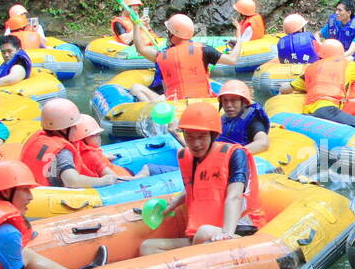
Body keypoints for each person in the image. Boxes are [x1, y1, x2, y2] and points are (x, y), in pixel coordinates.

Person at [138, 103, 268, 255]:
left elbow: (235, 196)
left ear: (213, 135)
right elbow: (199, 186)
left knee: (204, 231)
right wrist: (174, 203)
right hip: (203, 235)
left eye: (201, 137)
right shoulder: (187, 157)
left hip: (239, 230)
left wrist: (227, 233)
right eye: (189, 137)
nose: (195, 143)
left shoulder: (234, 155)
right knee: (148, 246)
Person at [128, 13, 238, 102]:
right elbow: (232, 59)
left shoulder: (162, 55)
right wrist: (240, 41)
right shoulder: (204, 49)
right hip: (202, 100)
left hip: (173, 101)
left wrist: (136, 26)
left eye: (168, 32)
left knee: (135, 88)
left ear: (173, 34)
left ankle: (147, 109)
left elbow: (140, 48)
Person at [280, 38, 355, 129]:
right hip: (328, 110)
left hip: (310, 112)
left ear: (320, 55)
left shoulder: (310, 69)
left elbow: (285, 89)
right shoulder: (349, 66)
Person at [18, 99, 120, 188]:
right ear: (63, 129)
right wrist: (104, 181)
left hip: (33, 188)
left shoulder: (39, 139)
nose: (76, 129)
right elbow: (72, 181)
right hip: (52, 198)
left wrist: (104, 157)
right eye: (74, 126)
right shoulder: (63, 152)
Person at [67, 115, 134, 180]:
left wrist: (104, 157)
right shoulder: (92, 156)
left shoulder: (76, 149)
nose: (99, 138)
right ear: (82, 139)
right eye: (95, 135)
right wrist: (140, 176)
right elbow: (116, 179)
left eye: (99, 135)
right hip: (120, 181)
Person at [216, 79, 269, 154]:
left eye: (233, 100)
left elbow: (263, 143)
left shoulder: (253, 120)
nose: (228, 105)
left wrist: (234, 154)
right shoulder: (224, 118)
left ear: (244, 102)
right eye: (225, 101)